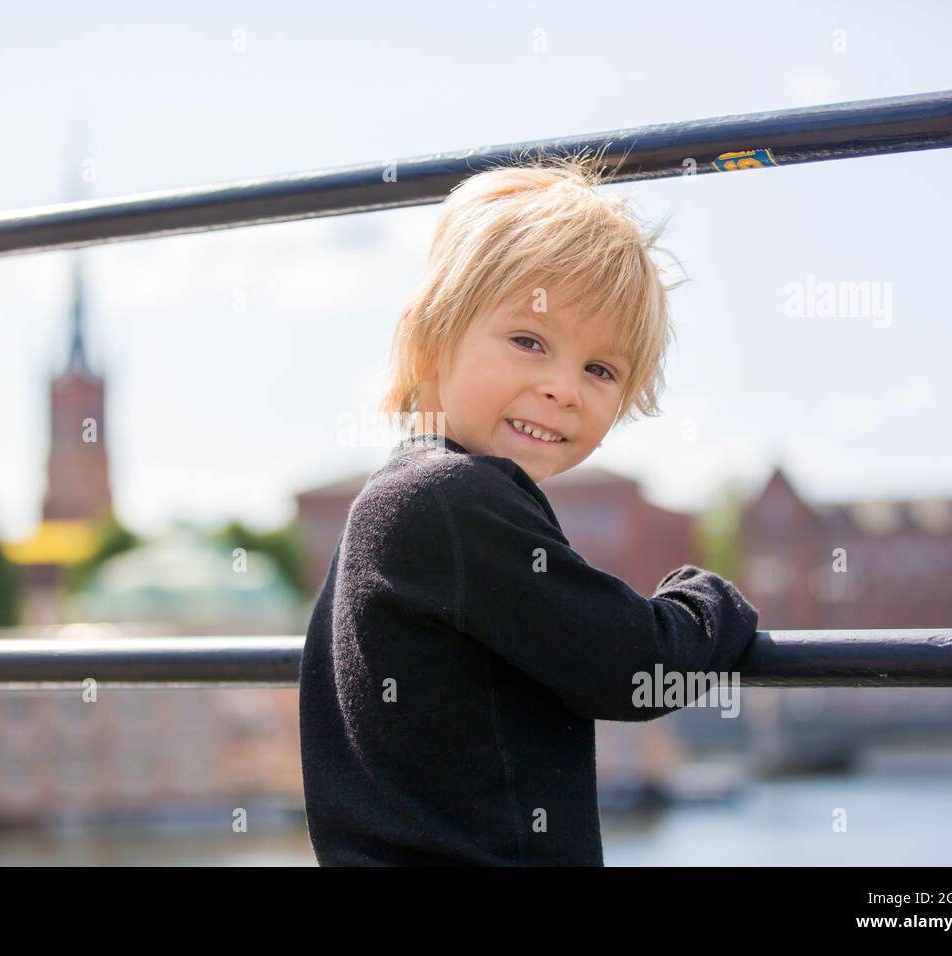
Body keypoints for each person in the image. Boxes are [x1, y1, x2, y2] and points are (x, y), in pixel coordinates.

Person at [298, 154, 761, 866]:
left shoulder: (392, 501)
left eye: (600, 370)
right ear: (432, 341)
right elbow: (634, 666)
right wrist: (712, 603)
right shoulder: (456, 500)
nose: (564, 389)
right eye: (529, 341)